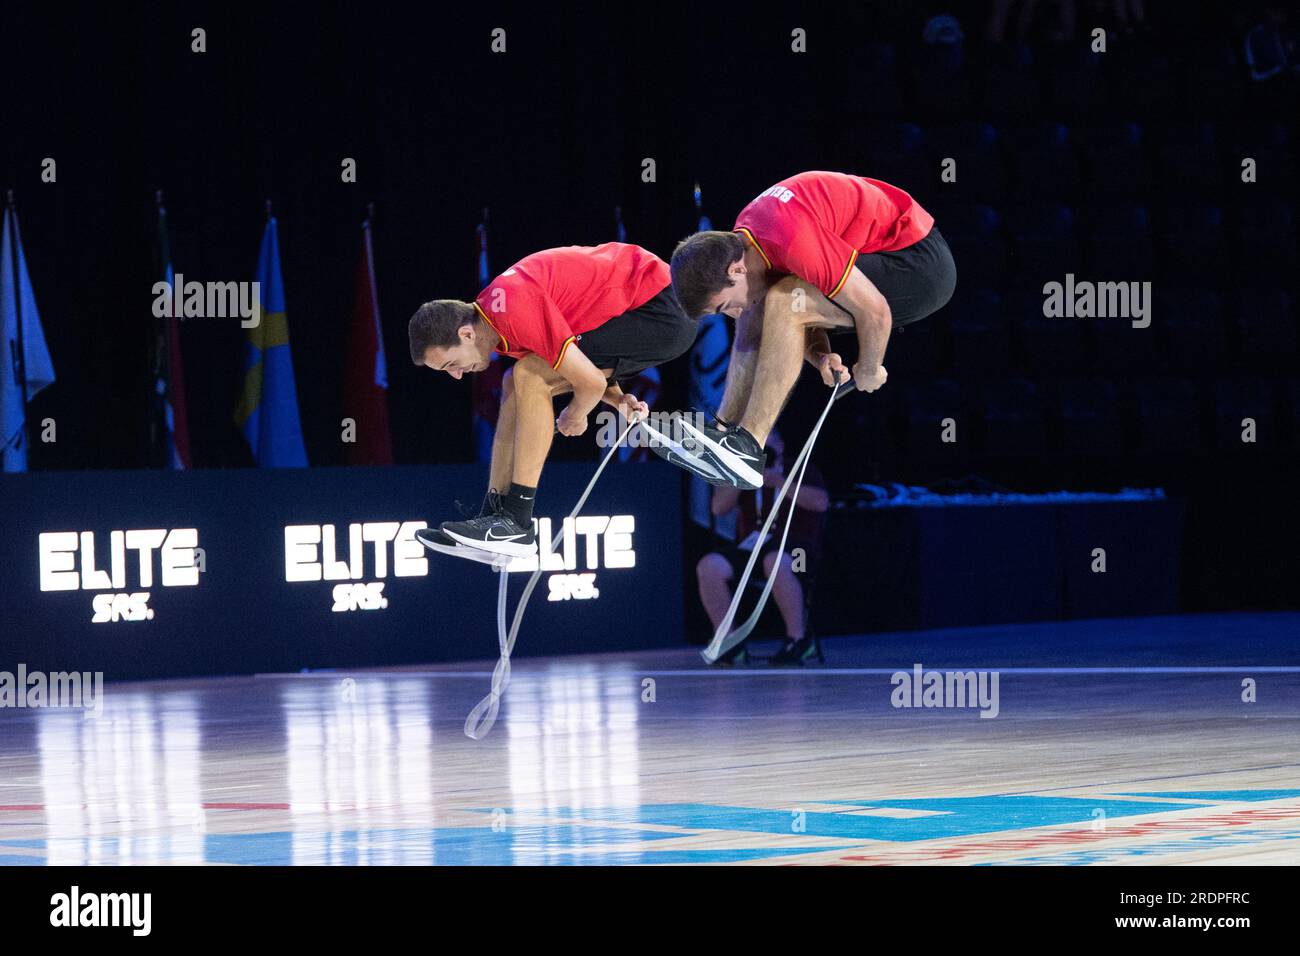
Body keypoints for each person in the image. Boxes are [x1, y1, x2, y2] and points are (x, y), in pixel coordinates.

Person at [655, 170, 956, 489]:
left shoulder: (791, 237)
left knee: (780, 301)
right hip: (882, 254)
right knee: (760, 307)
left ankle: (749, 445)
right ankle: (722, 429)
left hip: (922, 267)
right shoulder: (748, 242)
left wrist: (869, 367)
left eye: (722, 306)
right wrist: (821, 355)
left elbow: (876, 312)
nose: (730, 315)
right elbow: (806, 296)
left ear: (736, 269)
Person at [407, 242, 696, 557]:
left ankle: (516, 522)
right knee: (513, 382)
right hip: (644, 311)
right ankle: (493, 514)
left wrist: (575, 414)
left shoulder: (512, 308)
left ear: (465, 335)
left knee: (528, 374)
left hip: (663, 309)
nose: (457, 375)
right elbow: (585, 364)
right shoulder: (496, 317)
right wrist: (616, 398)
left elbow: (589, 381)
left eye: (451, 364)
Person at [697, 429, 829, 665]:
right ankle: (729, 640)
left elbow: (821, 503)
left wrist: (780, 481)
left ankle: (798, 639)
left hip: (799, 551)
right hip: (753, 548)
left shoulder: (798, 467)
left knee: (776, 560)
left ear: (780, 445)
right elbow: (718, 508)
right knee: (710, 566)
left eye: (768, 444)